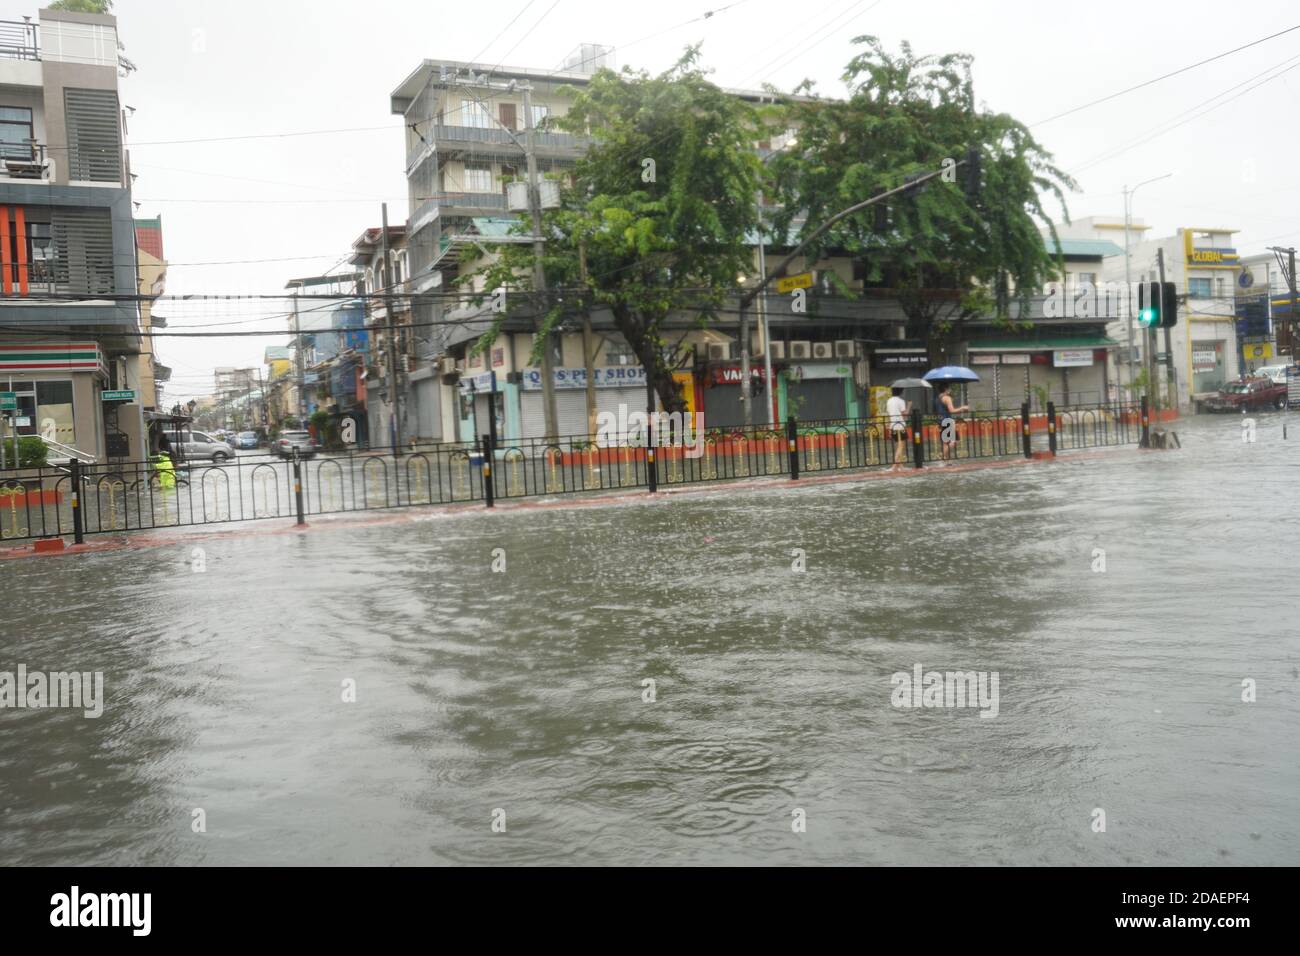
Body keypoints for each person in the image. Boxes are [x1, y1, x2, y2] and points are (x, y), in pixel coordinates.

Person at [933, 383, 970, 463]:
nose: (950, 390)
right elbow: (952, 410)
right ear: (946, 389)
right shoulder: (947, 398)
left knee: (945, 442)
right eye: (949, 388)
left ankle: (947, 461)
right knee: (954, 441)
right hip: (948, 421)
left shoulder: (937, 398)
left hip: (941, 421)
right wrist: (963, 407)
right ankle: (943, 457)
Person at [886, 387, 911, 471]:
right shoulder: (901, 401)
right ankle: (894, 466)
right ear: (900, 392)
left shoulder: (889, 401)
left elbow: (889, 414)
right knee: (900, 447)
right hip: (900, 425)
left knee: (898, 446)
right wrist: (909, 405)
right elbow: (905, 414)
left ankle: (900, 466)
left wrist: (889, 427)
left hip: (893, 425)